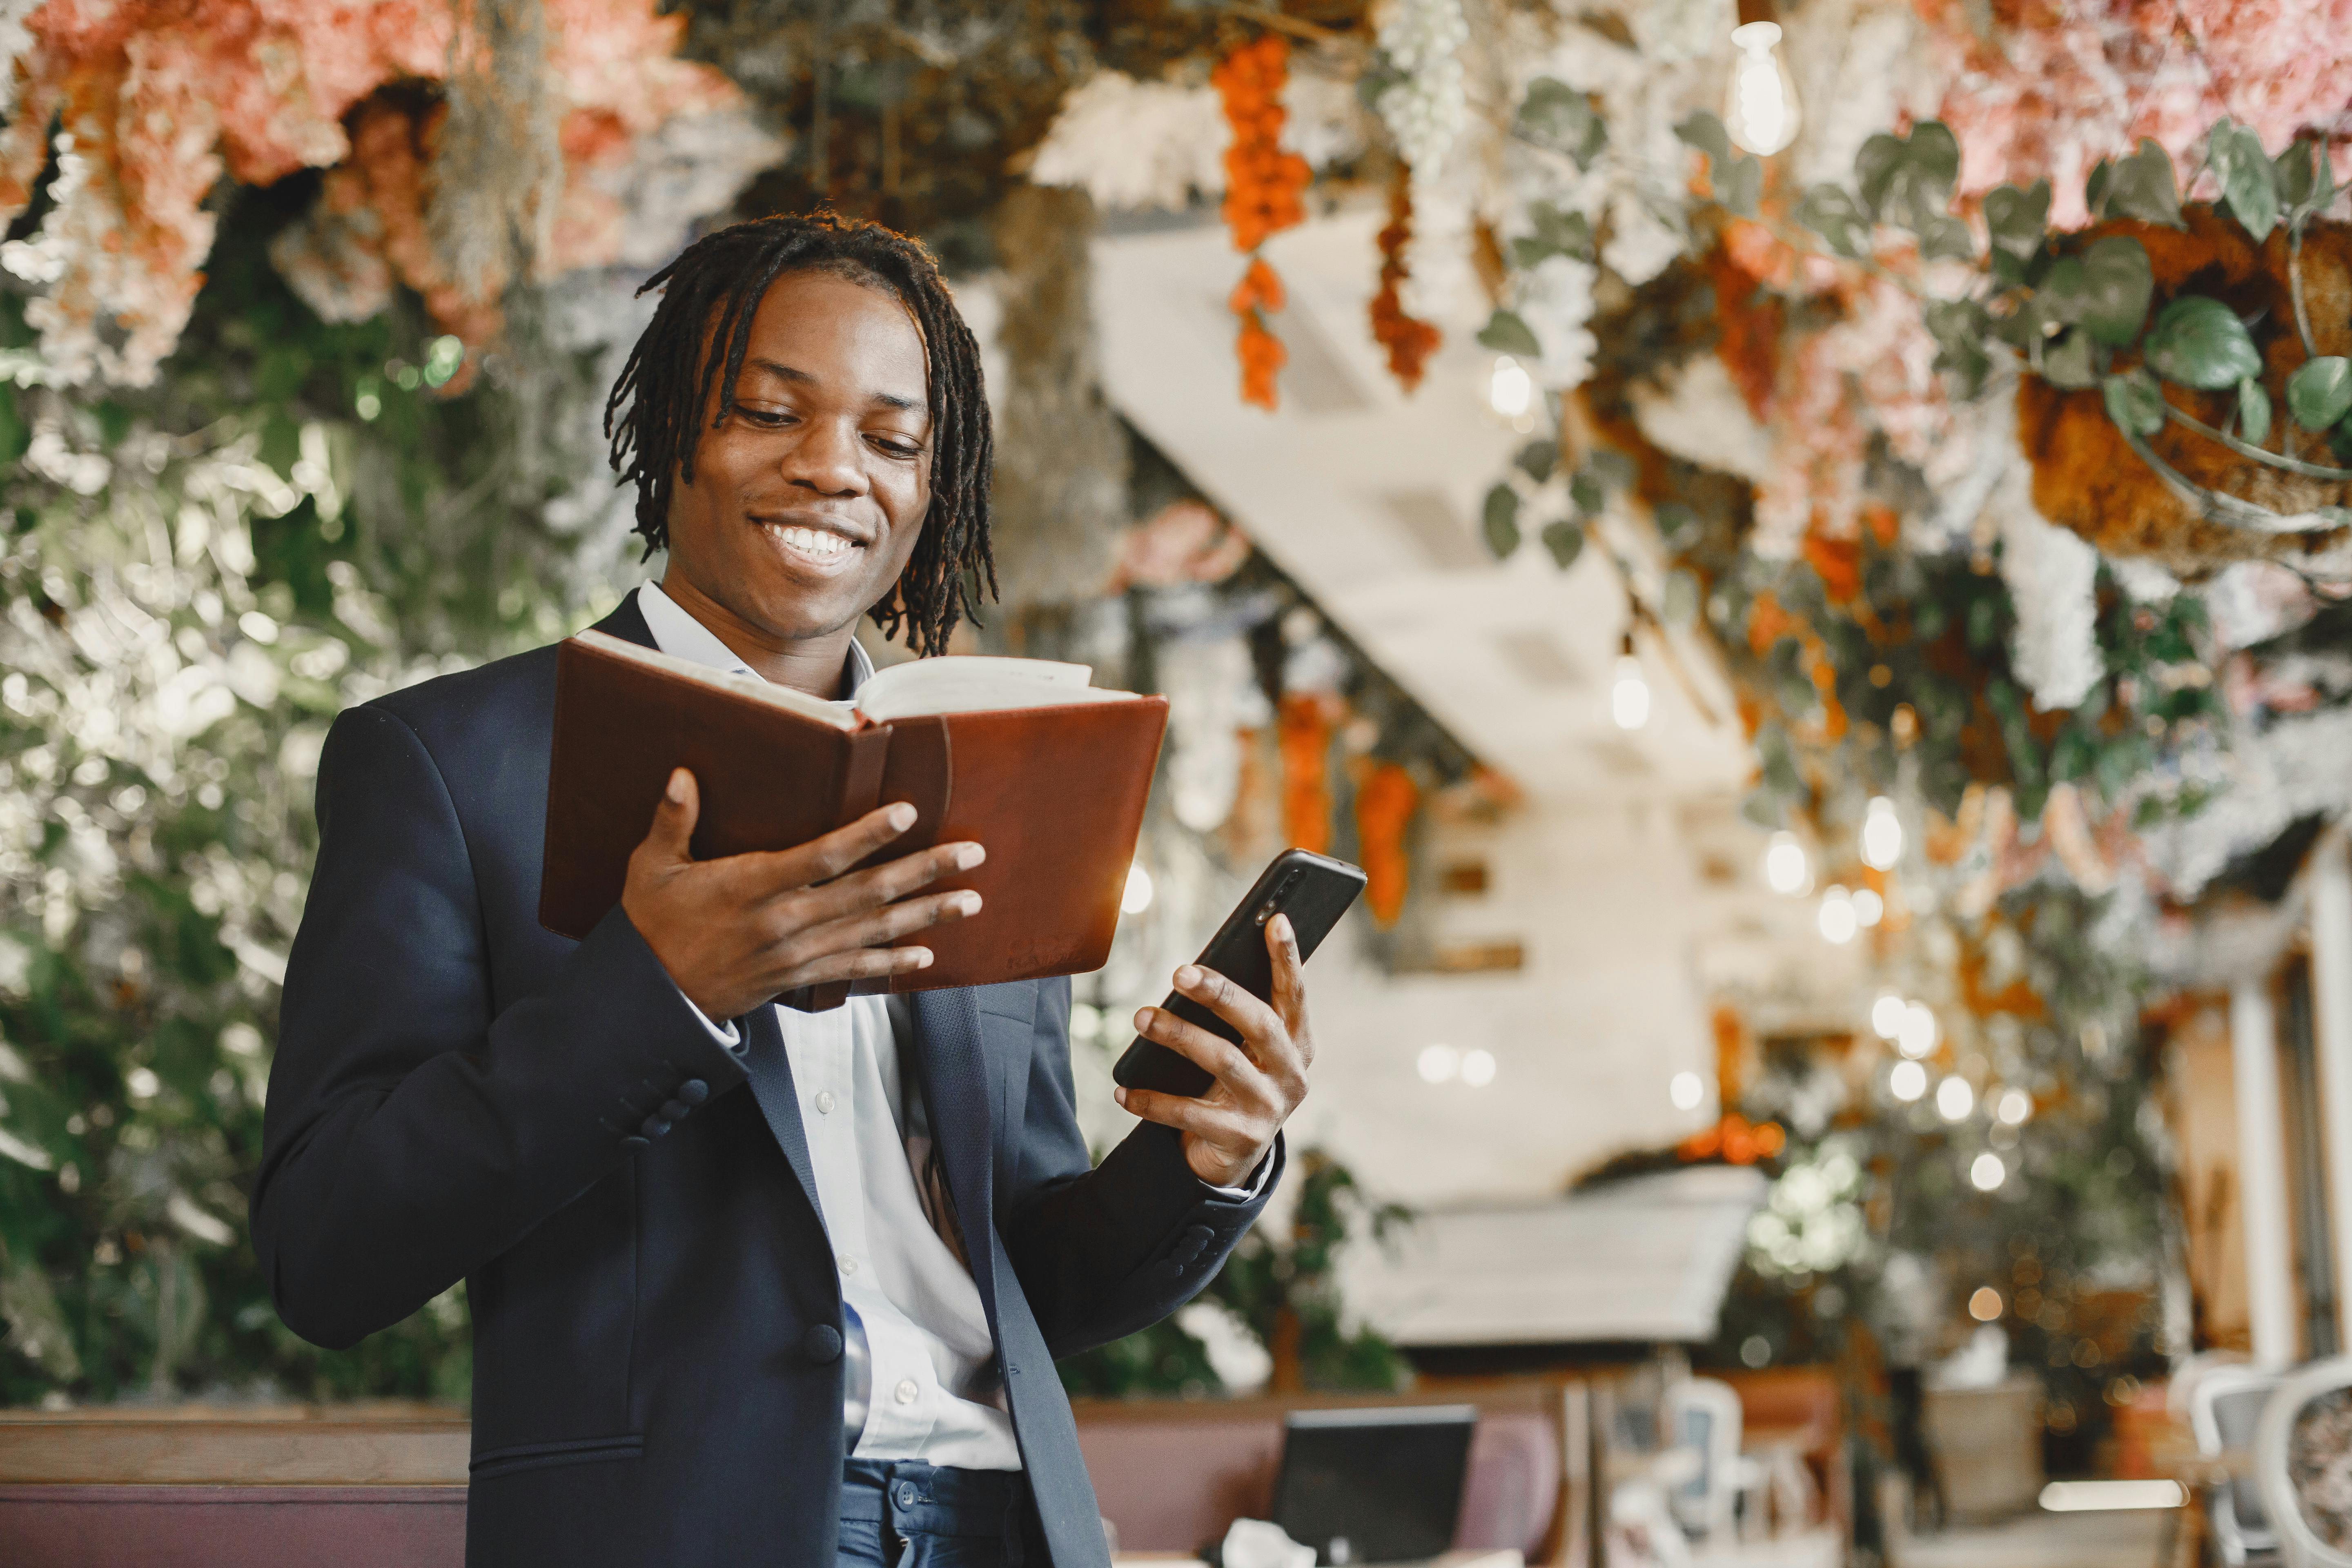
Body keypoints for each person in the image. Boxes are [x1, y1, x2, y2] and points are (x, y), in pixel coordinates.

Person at [251, 212, 1316, 1568]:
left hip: (1007, 1527)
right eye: (768, 410)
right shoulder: (454, 766)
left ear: (936, 488)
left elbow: (1032, 1273)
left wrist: (1205, 1160)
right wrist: (655, 996)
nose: (832, 470)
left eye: (892, 439)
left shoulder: (997, 781)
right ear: (677, 426)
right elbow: (325, 1253)